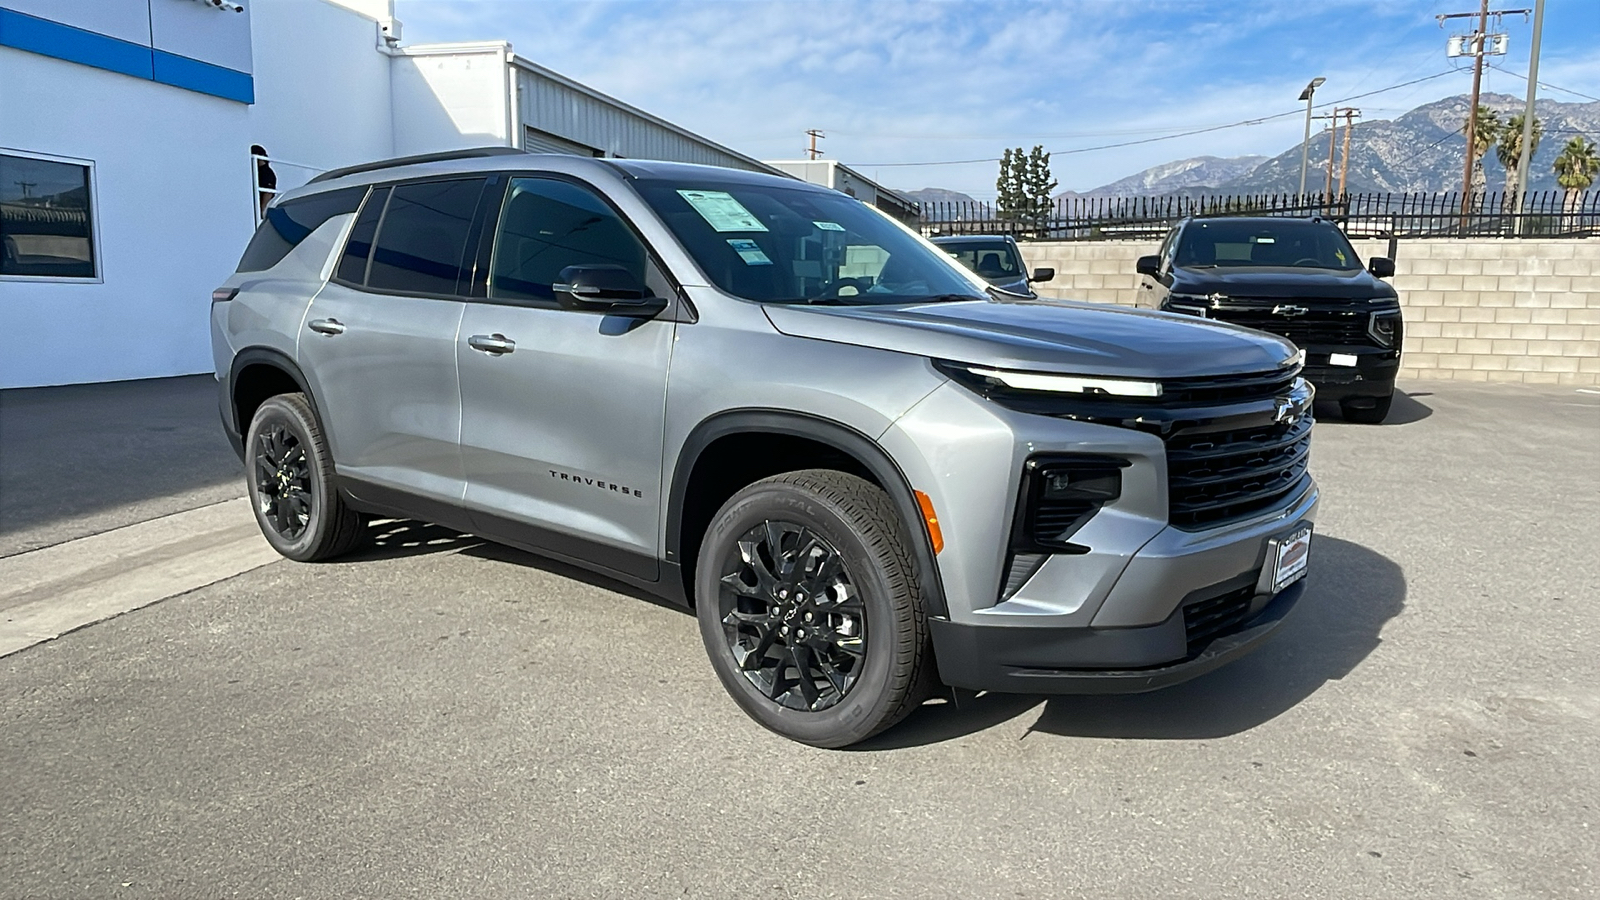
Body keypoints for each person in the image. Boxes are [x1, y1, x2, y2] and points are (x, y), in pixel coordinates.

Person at [252, 144, 276, 216]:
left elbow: (268, 192)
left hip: (260, 209)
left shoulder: (266, 172)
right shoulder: (257, 171)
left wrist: (262, 211)